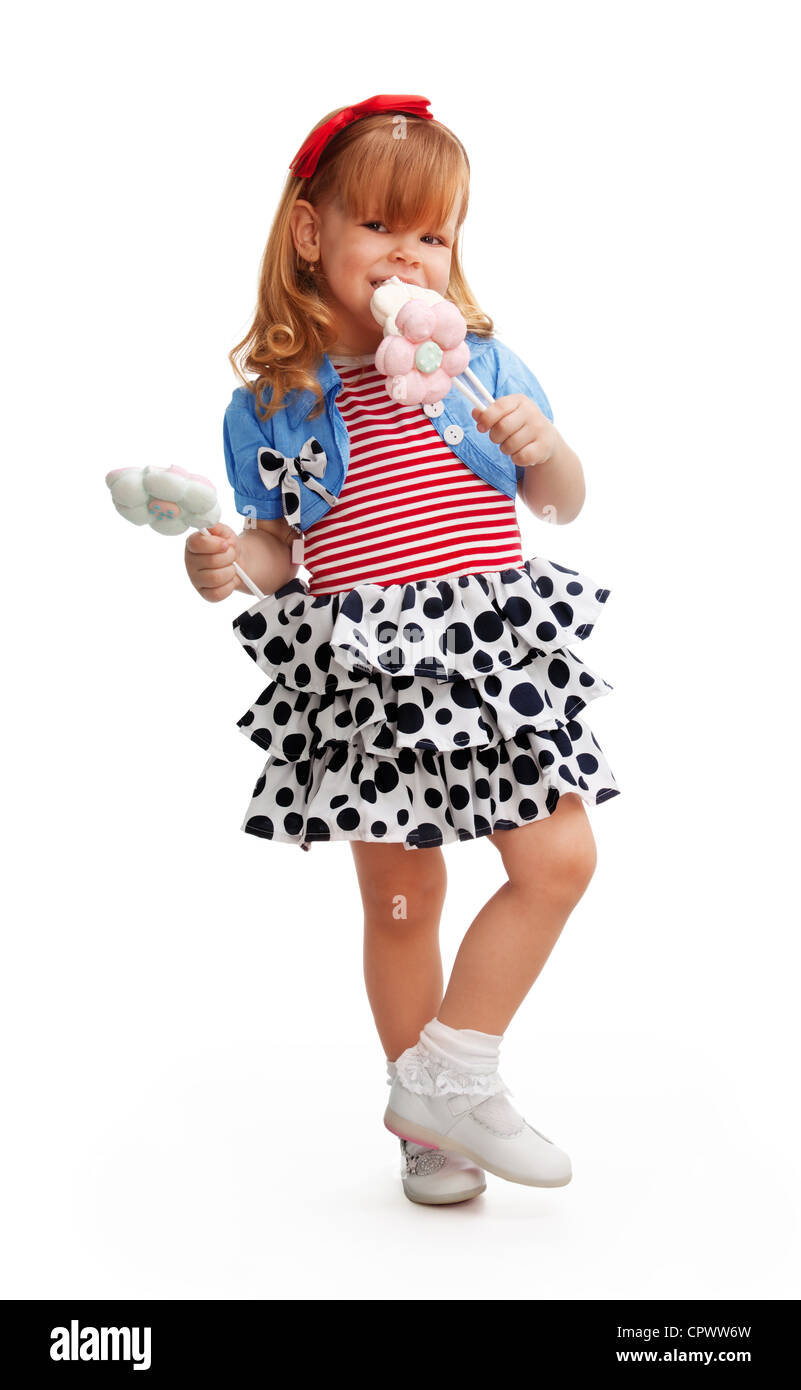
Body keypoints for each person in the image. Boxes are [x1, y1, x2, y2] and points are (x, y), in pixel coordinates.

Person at [185, 94, 620, 1207]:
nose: (412, 256)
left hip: (487, 648)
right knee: (400, 897)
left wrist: (548, 448)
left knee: (557, 859)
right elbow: (285, 546)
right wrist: (235, 562)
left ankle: (452, 1070)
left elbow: (558, 502)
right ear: (309, 232)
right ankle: (429, 1134)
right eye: (383, 225)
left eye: (435, 234)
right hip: (369, 661)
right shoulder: (274, 402)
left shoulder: (482, 362)